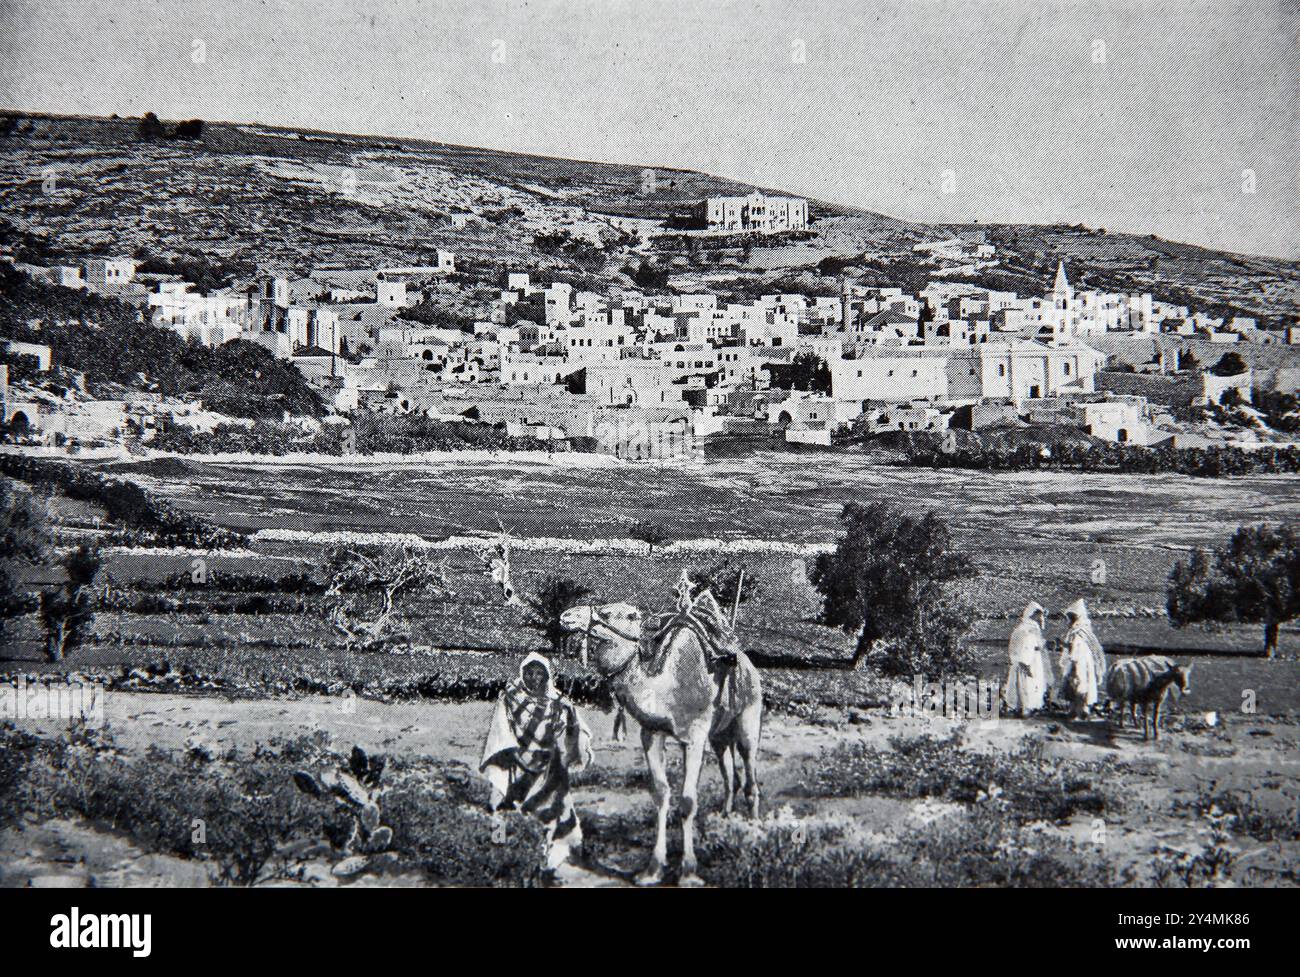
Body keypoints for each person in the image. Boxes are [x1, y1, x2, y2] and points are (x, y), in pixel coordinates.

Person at [480, 652, 592, 871]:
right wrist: (511, 751)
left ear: (546, 675)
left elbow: (575, 731)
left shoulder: (558, 701)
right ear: (522, 673)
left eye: (539, 673)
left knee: (551, 808)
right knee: (498, 799)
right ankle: (497, 846)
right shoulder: (510, 697)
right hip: (513, 758)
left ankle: (547, 853)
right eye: (529, 672)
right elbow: (501, 728)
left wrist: (569, 724)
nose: (533, 678)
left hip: (545, 763)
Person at [1058, 599, 1105, 718]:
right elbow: (1073, 646)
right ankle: (1075, 709)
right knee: (1076, 685)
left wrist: (1073, 660)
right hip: (1078, 660)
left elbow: (1079, 647)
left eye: (1068, 619)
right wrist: (1064, 645)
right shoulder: (1076, 631)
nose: (1067, 622)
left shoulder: (1079, 632)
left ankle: (1081, 710)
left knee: (1080, 685)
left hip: (1080, 662)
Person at [1004, 602, 1048, 717]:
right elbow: (1027, 646)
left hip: (1026, 658)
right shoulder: (1028, 629)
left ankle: (1021, 707)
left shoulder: (1023, 627)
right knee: (1027, 683)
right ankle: (1026, 708)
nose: (1040, 618)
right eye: (1038, 615)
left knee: (1023, 683)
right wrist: (1026, 662)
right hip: (1028, 659)